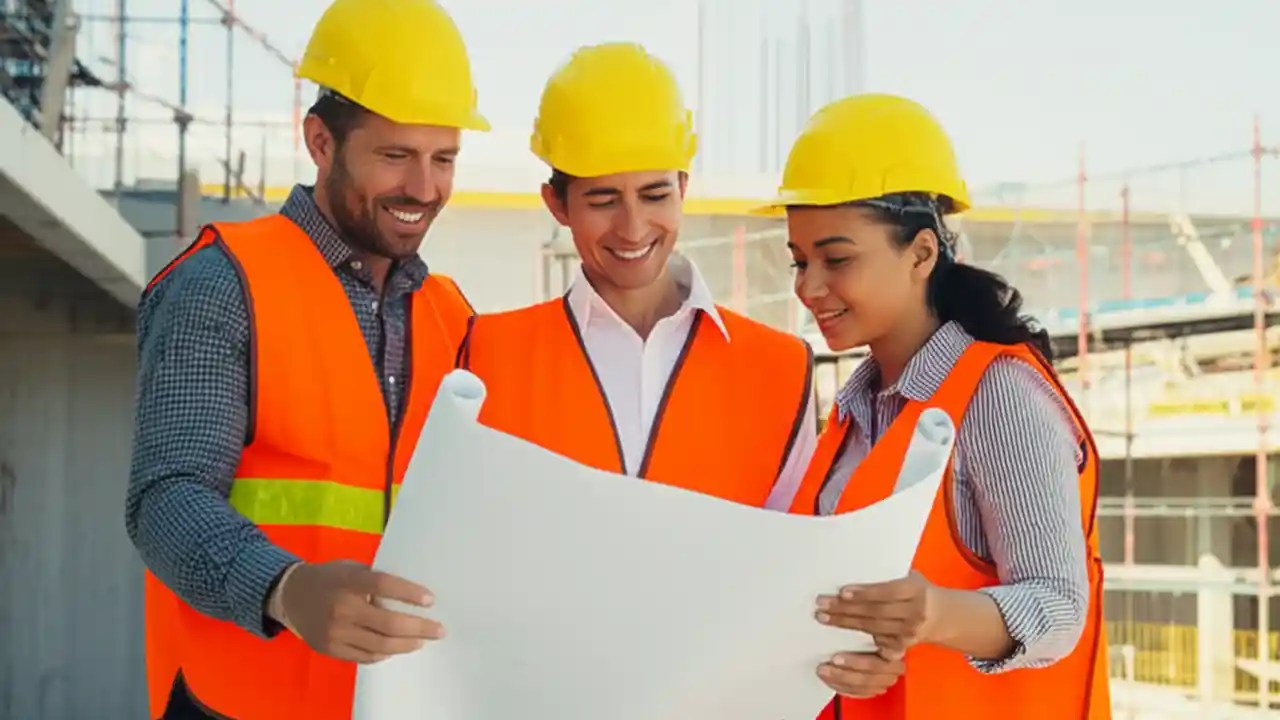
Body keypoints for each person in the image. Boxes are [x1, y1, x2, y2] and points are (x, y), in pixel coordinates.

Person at [124, 1, 488, 717]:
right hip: (237, 700)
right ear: (321, 141)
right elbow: (164, 496)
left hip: (392, 701)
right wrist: (285, 590)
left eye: (442, 158)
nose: (424, 188)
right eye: (394, 156)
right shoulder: (224, 283)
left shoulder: (454, 317)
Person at [756, 94, 1111, 718]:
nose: (808, 288)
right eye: (800, 261)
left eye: (837, 260)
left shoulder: (998, 396)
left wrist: (937, 615)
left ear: (921, 253)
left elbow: (1059, 607)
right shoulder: (853, 408)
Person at [456, 42, 816, 513]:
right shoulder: (486, 355)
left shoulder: (782, 371)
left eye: (654, 195)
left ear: (683, 188)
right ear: (557, 204)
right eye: (604, 200)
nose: (633, 228)